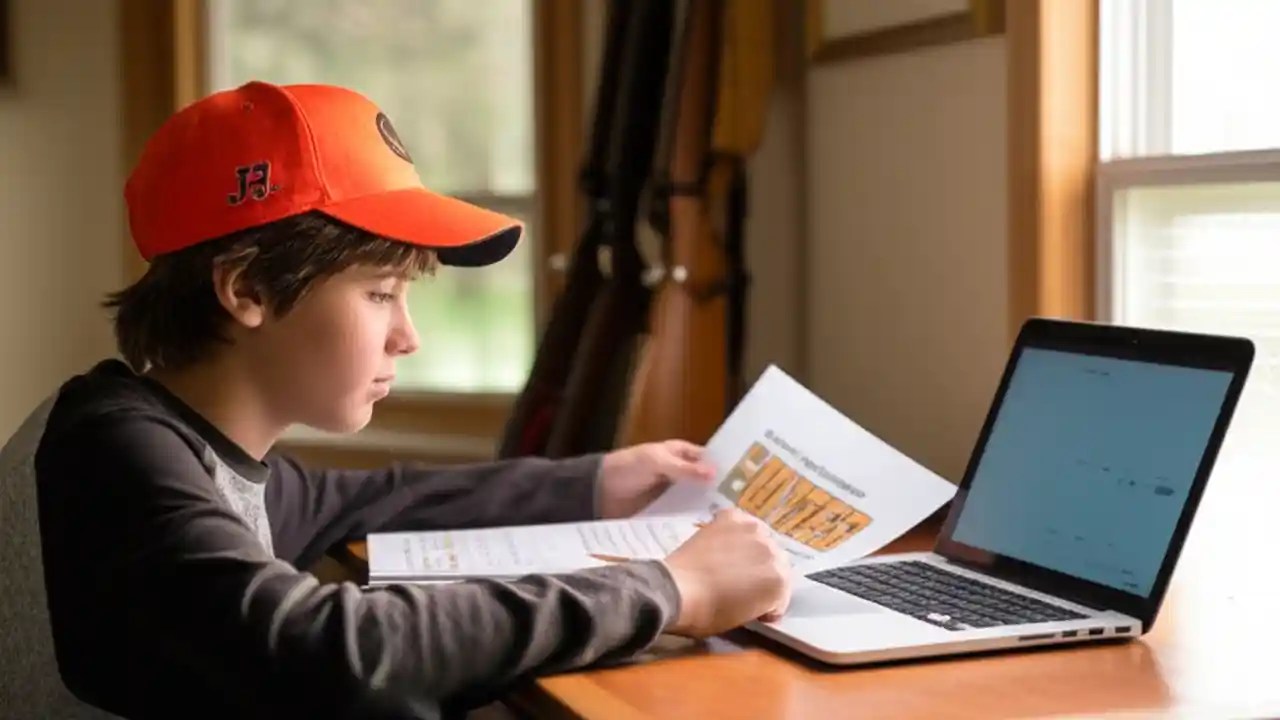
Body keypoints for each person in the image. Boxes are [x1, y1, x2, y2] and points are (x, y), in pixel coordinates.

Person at [1, 80, 792, 719]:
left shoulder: (192, 447)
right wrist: (672, 588)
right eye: (381, 292)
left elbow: (378, 499)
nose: (407, 336)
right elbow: (325, 651)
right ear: (244, 289)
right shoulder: (108, 452)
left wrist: (594, 480)